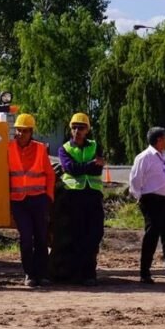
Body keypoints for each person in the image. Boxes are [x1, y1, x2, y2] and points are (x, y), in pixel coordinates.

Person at [129, 126, 165, 285]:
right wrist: (140, 198)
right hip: (151, 200)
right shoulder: (144, 157)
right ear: (159, 140)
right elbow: (134, 180)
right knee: (152, 236)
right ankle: (144, 273)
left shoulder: (164, 155)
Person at [8, 113, 56, 288]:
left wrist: (49, 197)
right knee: (26, 238)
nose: (21, 134)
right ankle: (29, 274)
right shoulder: (8, 148)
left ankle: (42, 274)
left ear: (31, 132)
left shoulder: (40, 148)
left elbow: (50, 174)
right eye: (19, 131)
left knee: (41, 238)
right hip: (19, 201)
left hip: (38, 200)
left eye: (25, 131)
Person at [58, 112, 105, 286]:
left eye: (81, 127)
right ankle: (77, 274)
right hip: (73, 196)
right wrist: (90, 165)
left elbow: (97, 170)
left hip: (92, 195)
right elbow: (71, 169)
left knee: (94, 234)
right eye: (74, 127)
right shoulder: (64, 149)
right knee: (76, 235)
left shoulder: (95, 146)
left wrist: (84, 167)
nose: (77, 131)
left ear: (87, 130)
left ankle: (89, 273)